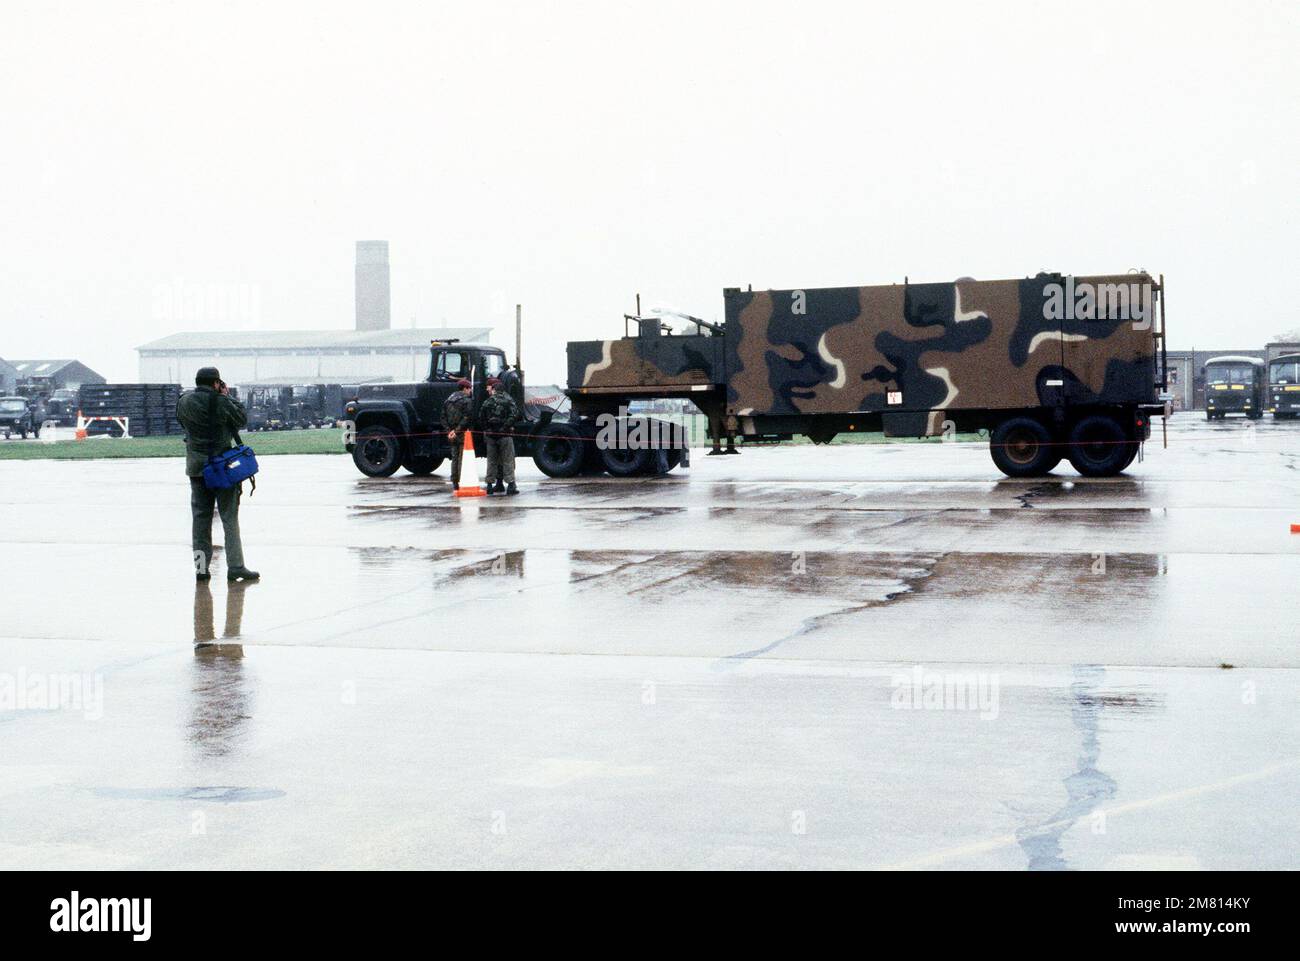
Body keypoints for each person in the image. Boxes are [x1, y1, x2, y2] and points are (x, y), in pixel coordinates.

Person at [176, 367, 259, 582]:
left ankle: (201, 569)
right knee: (229, 519)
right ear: (216, 383)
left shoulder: (183, 401)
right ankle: (236, 567)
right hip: (221, 469)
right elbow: (241, 419)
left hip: (196, 469)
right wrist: (227, 396)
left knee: (200, 521)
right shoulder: (221, 401)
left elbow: (183, 423)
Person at [481, 377, 520, 495]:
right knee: (508, 460)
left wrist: (488, 429)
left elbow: (481, 417)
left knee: (492, 460)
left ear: (494, 389)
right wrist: (505, 427)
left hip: (491, 436)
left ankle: (490, 485)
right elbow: (515, 415)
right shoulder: (508, 400)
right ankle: (511, 485)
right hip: (505, 435)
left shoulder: (488, 401)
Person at [442, 378, 473, 490]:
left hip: (451, 434)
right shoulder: (467, 401)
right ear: (465, 388)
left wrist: (449, 431)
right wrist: (457, 430)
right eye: (470, 389)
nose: (470, 391)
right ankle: (461, 481)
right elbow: (467, 418)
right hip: (462, 433)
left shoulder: (448, 400)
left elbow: (443, 418)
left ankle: (455, 482)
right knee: (462, 458)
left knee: (454, 458)